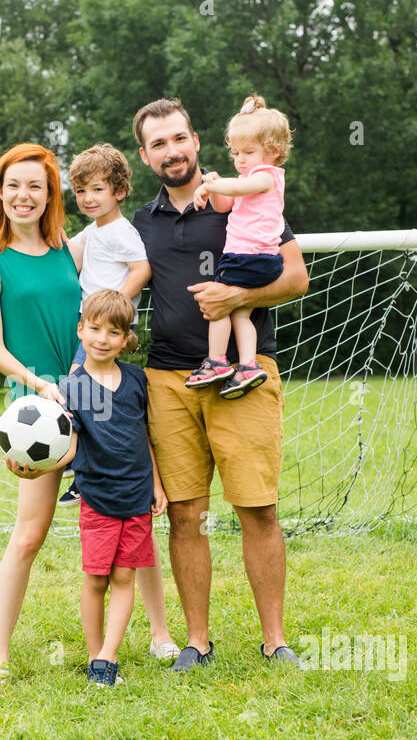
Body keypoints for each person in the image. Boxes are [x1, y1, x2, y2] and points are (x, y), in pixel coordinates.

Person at [129, 98, 310, 671]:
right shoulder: (139, 224)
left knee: (257, 509)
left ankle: (275, 641)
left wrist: (240, 297)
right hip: (168, 381)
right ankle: (197, 642)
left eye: (178, 138)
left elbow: (297, 277)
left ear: (196, 140)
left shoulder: (241, 200)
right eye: (158, 144)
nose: (171, 151)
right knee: (185, 515)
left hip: (242, 376)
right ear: (145, 155)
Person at [62, 143, 180, 662]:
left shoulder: (123, 231)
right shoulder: (90, 233)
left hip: (109, 323)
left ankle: (154, 632)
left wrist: (116, 311)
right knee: (81, 405)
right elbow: (67, 258)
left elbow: (141, 268)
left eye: (98, 189)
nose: (88, 197)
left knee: (116, 413)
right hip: (92, 334)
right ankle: (80, 476)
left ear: (119, 190)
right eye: (81, 190)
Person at [0, 143, 81, 683]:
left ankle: (159, 636)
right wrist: (38, 385)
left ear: (51, 193)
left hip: (95, 397)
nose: (24, 195)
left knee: (129, 518)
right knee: (31, 533)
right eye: (14, 184)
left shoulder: (70, 250)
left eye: (36, 185)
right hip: (40, 410)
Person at [20, 290, 168, 687]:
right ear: (81, 330)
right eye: (95, 329)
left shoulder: (137, 381)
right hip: (98, 500)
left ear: (125, 340)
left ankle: (108, 658)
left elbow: (144, 438)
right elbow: (67, 450)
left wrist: (156, 485)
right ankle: (93, 654)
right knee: (97, 581)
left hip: (136, 497)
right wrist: (34, 472)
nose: (103, 339)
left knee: (124, 578)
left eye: (114, 332)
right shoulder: (71, 388)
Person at [187, 94, 293, 399]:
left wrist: (209, 184)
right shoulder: (249, 178)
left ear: (273, 151)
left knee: (218, 305)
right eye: (235, 152)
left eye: (248, 151)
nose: (240, 159)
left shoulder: (267, 177)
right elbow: (224, 205)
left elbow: (236, 188)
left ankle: (217, 361)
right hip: (250, 259)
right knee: (240, 314)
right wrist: (213, 186)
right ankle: (248, 365)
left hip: (250, 258)